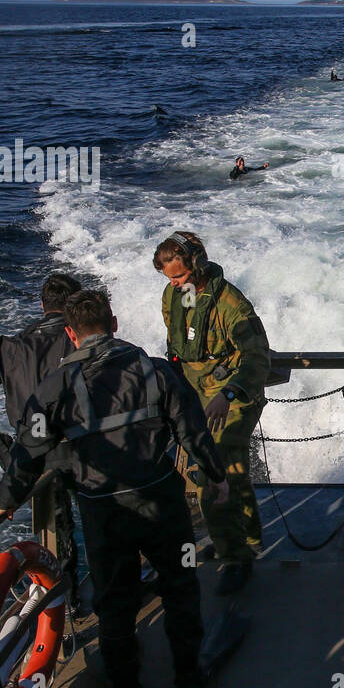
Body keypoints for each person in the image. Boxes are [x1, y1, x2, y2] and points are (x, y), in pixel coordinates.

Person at [0, 290, 228, 688]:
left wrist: (6, 502)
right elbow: (193, 430)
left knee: (114, 603)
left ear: (70, 333)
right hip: (163, 504)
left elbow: (28, 450)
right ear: (114, 323)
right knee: (181, 587)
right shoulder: (157, 372)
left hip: (103, 512)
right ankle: (189, 677)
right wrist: (215, 478)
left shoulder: (54, 387)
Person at [0, 273, 83, 610]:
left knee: (55, 531)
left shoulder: (7, 348)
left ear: (42, 307)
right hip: (85, 449)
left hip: (33, 459)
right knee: (102, 518)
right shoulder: (82, 342)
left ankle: (65, 608)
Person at [153, 231, 270, 595]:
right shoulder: (173, 296)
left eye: (180, 276)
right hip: (195, 392)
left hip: (234, 394)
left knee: (213, 470)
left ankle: (235, 558)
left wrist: (229, 392)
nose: (175, 284)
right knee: (232, 470)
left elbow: (257, 358)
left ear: (198, 265)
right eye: (170, 278)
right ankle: (247, 538)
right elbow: (178, 346)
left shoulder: (232, 305)